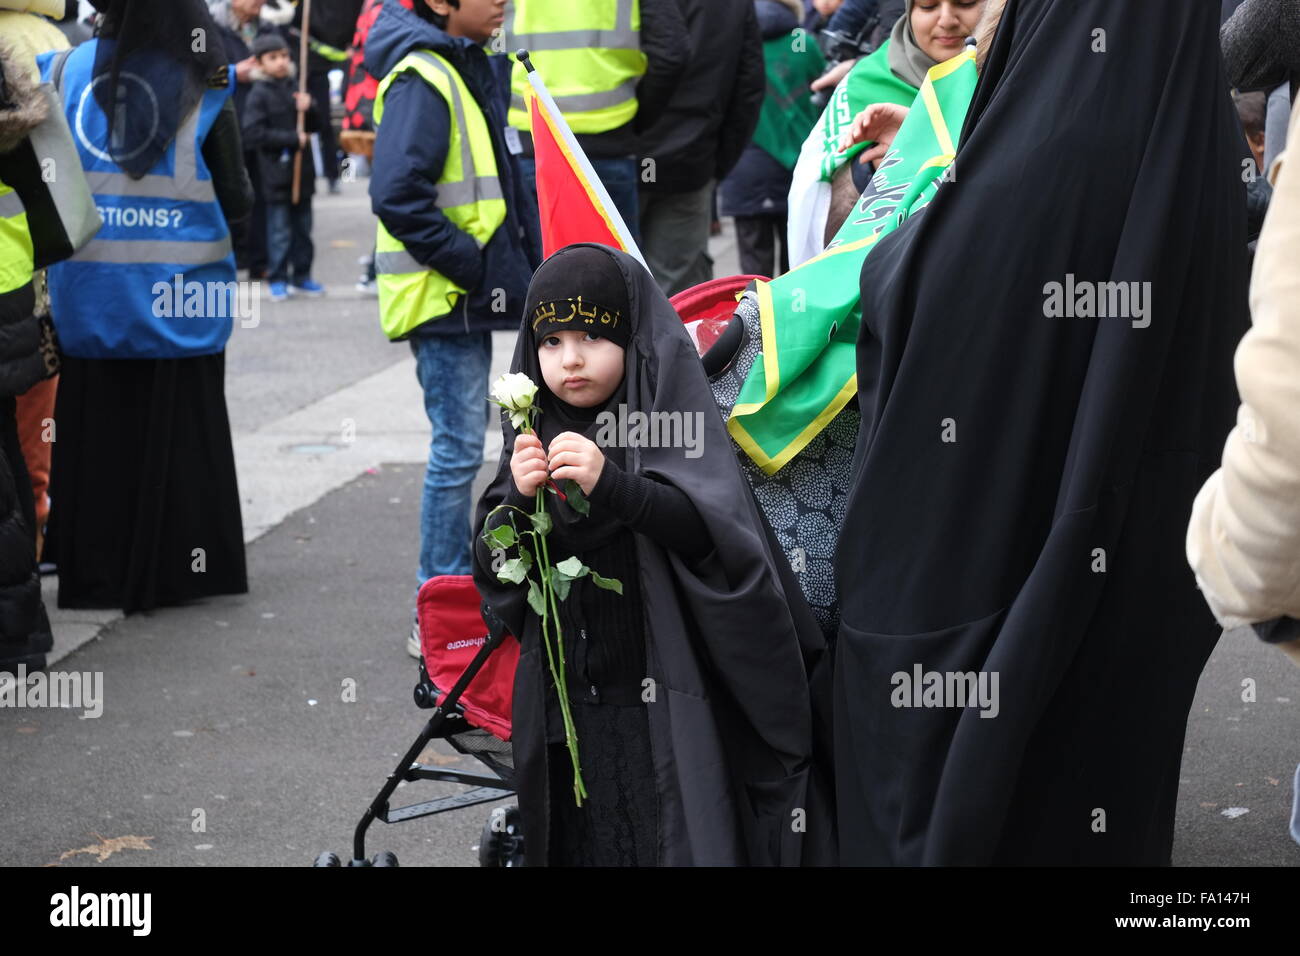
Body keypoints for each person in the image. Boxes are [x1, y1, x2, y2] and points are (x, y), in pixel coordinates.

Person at [833, 0, 1250, 865]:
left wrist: (892, 245)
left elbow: (935, 286)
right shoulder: (1192, 124)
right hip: (1139, 564)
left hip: (999, 564)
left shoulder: (1058, 135)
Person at [473, 243, 832, 866]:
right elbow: (499, 577)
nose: (571, 359)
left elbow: (714, 540)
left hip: (665, 698)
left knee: (661, 834)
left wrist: (615, 483)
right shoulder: (530, 433)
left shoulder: (670, 421)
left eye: (590, 336)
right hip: (569, 708)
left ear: (634, 341)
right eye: (551, 342)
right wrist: (516, 509)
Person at [39, 0, 253, 613]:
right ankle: (187, 569)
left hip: (91, 296)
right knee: (186, 440)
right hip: (183, 295)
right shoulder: (208, 72)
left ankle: (95, 570)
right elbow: (236, 193)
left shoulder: (61, 71)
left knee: (96, 439)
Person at [366, 0, 537, 657]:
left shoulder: (463, 64)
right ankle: (434, 614)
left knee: (466, 446)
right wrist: (471, 264)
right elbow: (396, 194)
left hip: (463, 293)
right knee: (459, 448)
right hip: (443, 296)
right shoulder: (424, 75)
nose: (503, 3)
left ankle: (450, 607)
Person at [787, 0, 984, 267]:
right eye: (927, 6)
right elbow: (817, 205)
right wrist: (870, 172)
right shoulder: (865, 83)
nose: (947, 19)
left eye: (966, 2)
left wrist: (925, 144)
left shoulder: (1017, 76)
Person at [503, 0, 689, 245]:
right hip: (608, 141)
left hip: (533, 142)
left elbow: (474, 38)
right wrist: (636, 119)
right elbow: (670, 51)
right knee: (616, 272)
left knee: (542, 269)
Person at [636, 0, 764, 296]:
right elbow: (748, 88)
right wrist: (716, 163)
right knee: (680, 294)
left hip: (617, 153)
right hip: (690, 158)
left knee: (604, 285)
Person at [719, 0, 825, 279]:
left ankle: (757, 321)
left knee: (753, 274)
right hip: (799, 167)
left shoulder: (731, 41)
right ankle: (796, 322)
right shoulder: (803, 41)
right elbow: (824, 86)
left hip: (744, 166)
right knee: (799, 264)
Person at [242, 31, 325, 301]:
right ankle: (277, 276)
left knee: (304, 229)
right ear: (260, 62)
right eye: (273, 57)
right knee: (278, 231)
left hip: (304, 175)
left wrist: (310, 107)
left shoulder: (296, 88)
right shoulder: (259, 93)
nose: (280, 62)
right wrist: (292, 139)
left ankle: (302, 275)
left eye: (284, 56)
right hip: (275, 174)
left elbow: (316, 125)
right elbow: (253, 133)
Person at [210, 0, 276, 278]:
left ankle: (259, 259)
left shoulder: (269, 29)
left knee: (262, 195)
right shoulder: (207, 29)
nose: (260, 2)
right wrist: (235, 73)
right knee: (228, 190)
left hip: (263, 126)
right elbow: (200, 75)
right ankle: (230, 257)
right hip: (225, 123)